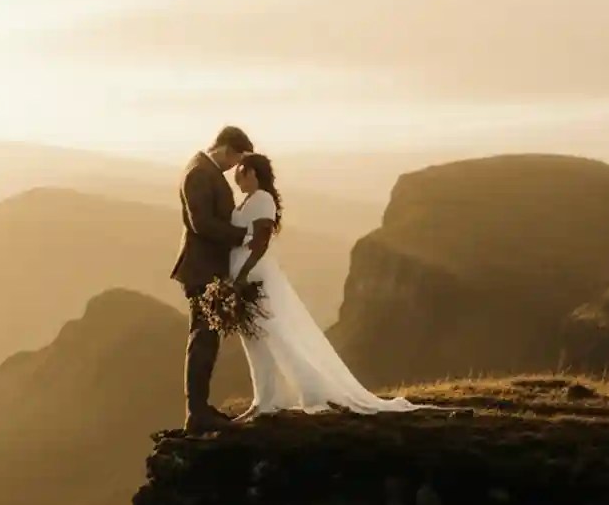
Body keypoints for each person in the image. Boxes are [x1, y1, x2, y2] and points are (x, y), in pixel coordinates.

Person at [228, 153, 447, 419]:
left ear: (252, 172)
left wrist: (243, 274)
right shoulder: (250, 199)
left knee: (274, 335)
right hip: (244, 274)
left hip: (254, 276)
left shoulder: (262, 199)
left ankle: (287, 395)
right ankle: (264, 398)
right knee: (256, 338)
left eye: (240, 172)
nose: (236, 177)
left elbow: (261, 241)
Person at [170, 126, 254, 433]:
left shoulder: (206, 170)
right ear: (226, 149)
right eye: (236, 160)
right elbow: (202, 223)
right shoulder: (199, 173)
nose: (234, 167)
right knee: (202, 339)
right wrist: (244, 236)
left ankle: (200, 408)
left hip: (208, 269)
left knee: (207, 339)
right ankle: (197, 412)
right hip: (200, 269)